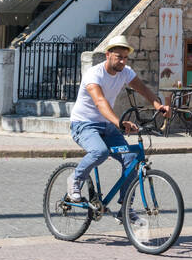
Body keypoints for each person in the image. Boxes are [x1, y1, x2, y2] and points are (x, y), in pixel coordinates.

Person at [67, 37, 169, 214]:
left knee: (131, 158)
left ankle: (125, 209)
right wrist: (119, 123)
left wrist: (158, 105)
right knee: (100, 152)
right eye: (118, 57)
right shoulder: (94, 74)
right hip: (84, 124)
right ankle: (75, 180)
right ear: (107, 55)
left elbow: (143, 90)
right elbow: (100, 102)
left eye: (125, 57)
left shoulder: (126, 72)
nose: (122, 61)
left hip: (107, 126)